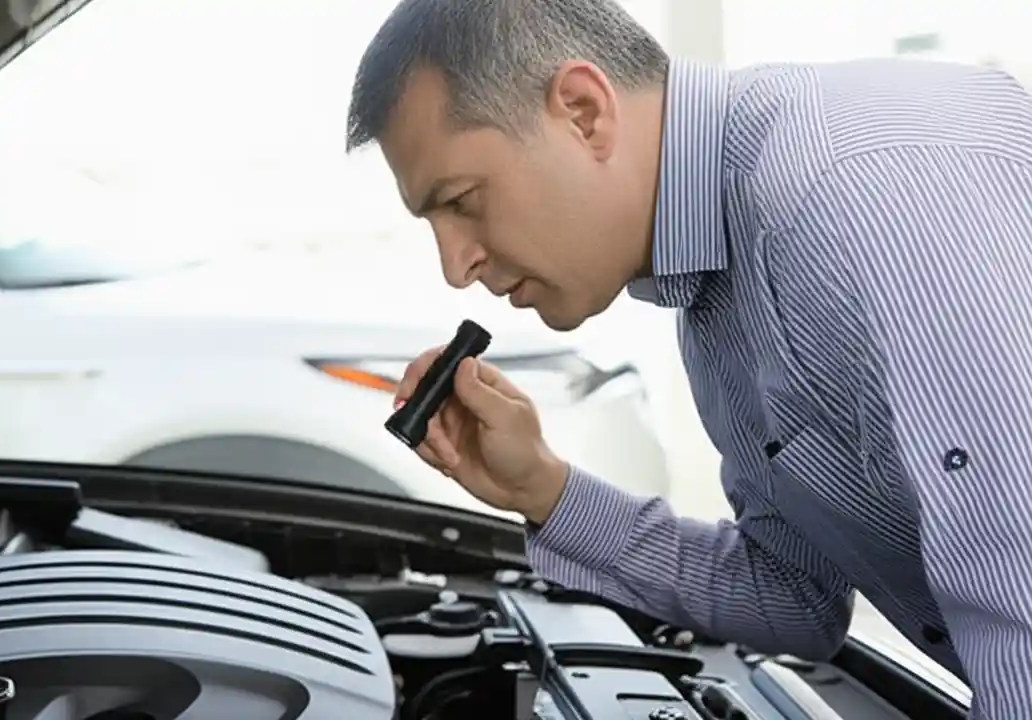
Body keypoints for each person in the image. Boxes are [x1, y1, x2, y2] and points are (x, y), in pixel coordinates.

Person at [344, 1, 1032, 717]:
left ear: (583, 110)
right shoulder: (716, 304)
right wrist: (542, 489)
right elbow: (798, 598)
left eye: (460, 201)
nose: (457, 267)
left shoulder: (853, 193)